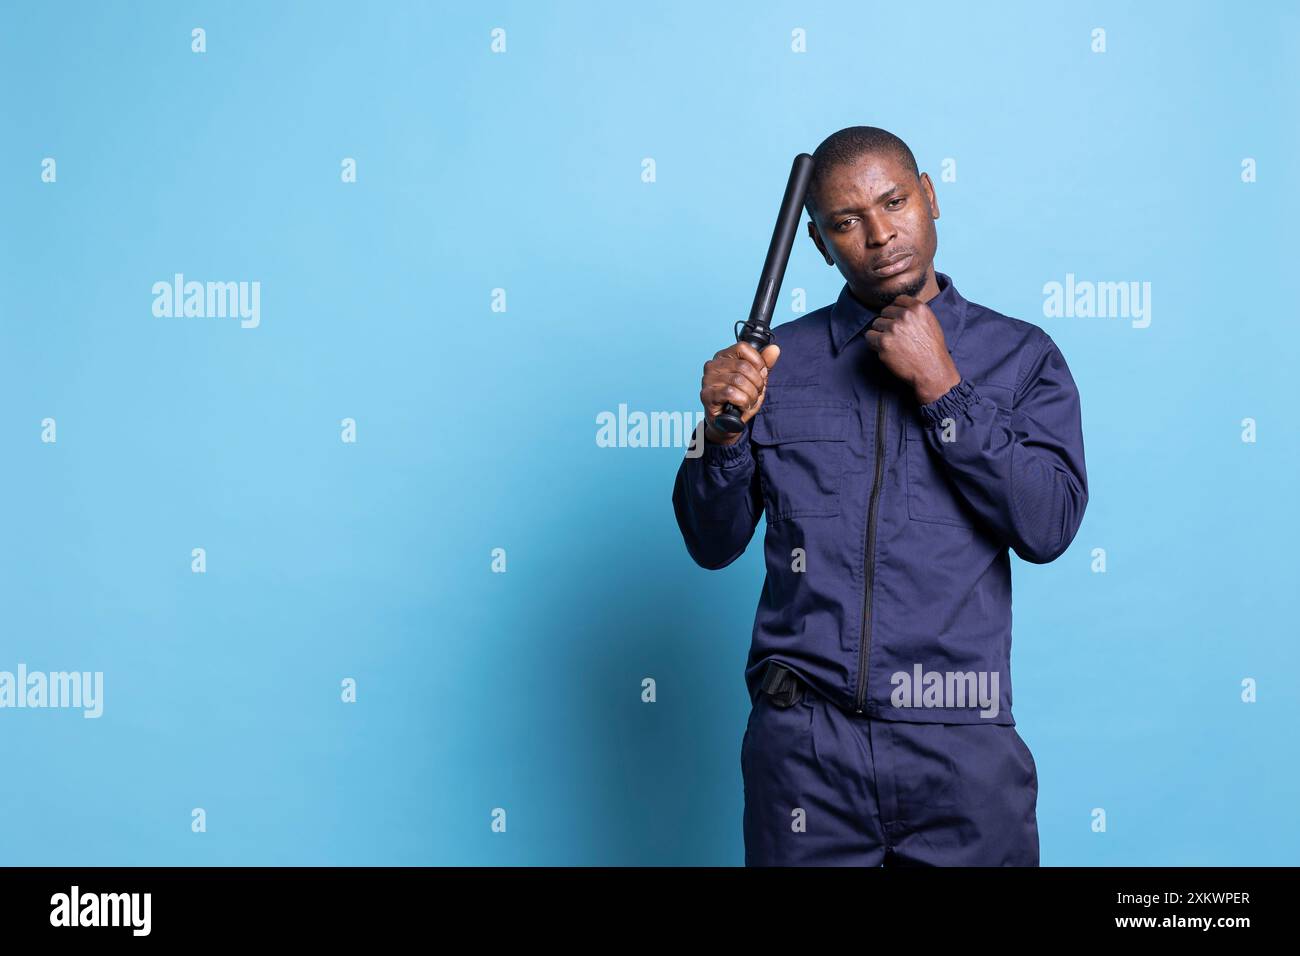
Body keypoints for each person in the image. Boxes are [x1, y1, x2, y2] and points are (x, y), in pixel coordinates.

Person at [671, 126, 1088, 866]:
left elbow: (1049, 525)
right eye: (845, 221)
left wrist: (944, 389)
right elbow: (711, 542)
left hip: (962, 748)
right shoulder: (778, 363)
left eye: (895, 201)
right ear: (818, 242)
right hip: (805, 757)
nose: (879, 233)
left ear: (929, 194)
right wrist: (722, 435)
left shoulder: (1022, 357)